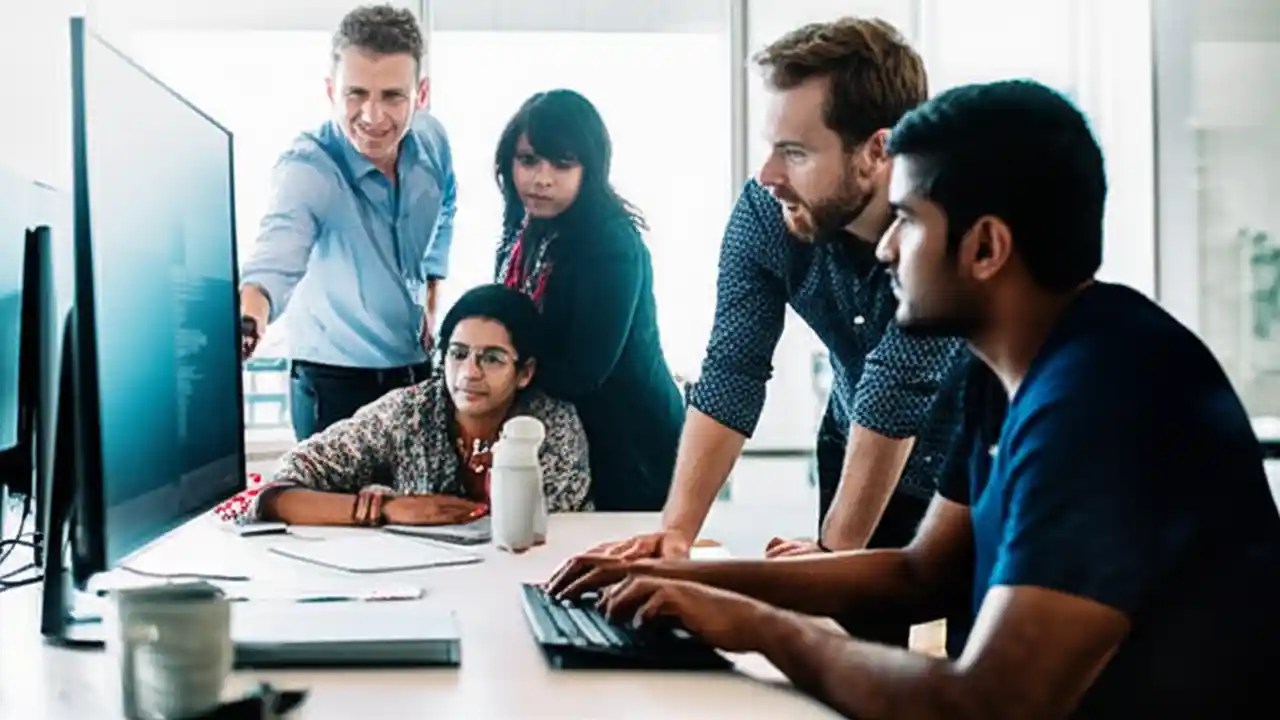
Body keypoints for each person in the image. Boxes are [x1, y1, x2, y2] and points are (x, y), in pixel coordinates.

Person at [547, 80, 1280, 718]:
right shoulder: (1005, 373)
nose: (886, 248)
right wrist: (685, 578)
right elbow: (921, 572)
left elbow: (991, 702)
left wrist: (757, 626)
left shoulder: (1102, 395)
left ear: (985, 247)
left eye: (909, 219)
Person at [566, 18, 969, 649]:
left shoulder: (944, 225)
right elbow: (733, 368)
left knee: (987, 667)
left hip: (971, 467)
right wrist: (676, 534)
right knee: (851, 660)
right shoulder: (766, 212)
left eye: (796, 152)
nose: (767, 174)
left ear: (877, 150)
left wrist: (829, 558)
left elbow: (894, 390)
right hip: (856, 446)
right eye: (772, 146)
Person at [239, 4, 458, 441]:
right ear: (330, 91)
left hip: (415, 375)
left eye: (393, 96)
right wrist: (248, 319)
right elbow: (274, 260)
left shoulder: (432, 142)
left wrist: (432, 292)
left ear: (421, 94)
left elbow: (448, 203)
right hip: (334, 387)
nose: (373, 116)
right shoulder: (308, 168)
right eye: (356, 94)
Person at [237, 284, 591, 526]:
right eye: (458, 354)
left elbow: (549, 532)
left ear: (525, 372)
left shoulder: (549, 424)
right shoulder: (411, 412)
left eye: (492, 359)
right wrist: (386, 509)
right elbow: (273, 495)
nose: (470, 373)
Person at [493, 89, 683, 511]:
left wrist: (498, 368)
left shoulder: (611, 244)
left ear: (590, 168)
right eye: (528, 160)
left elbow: (581, 370)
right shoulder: (526, 226)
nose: (541, 178)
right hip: (569, 438)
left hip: (633, 447)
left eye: (562, 164)